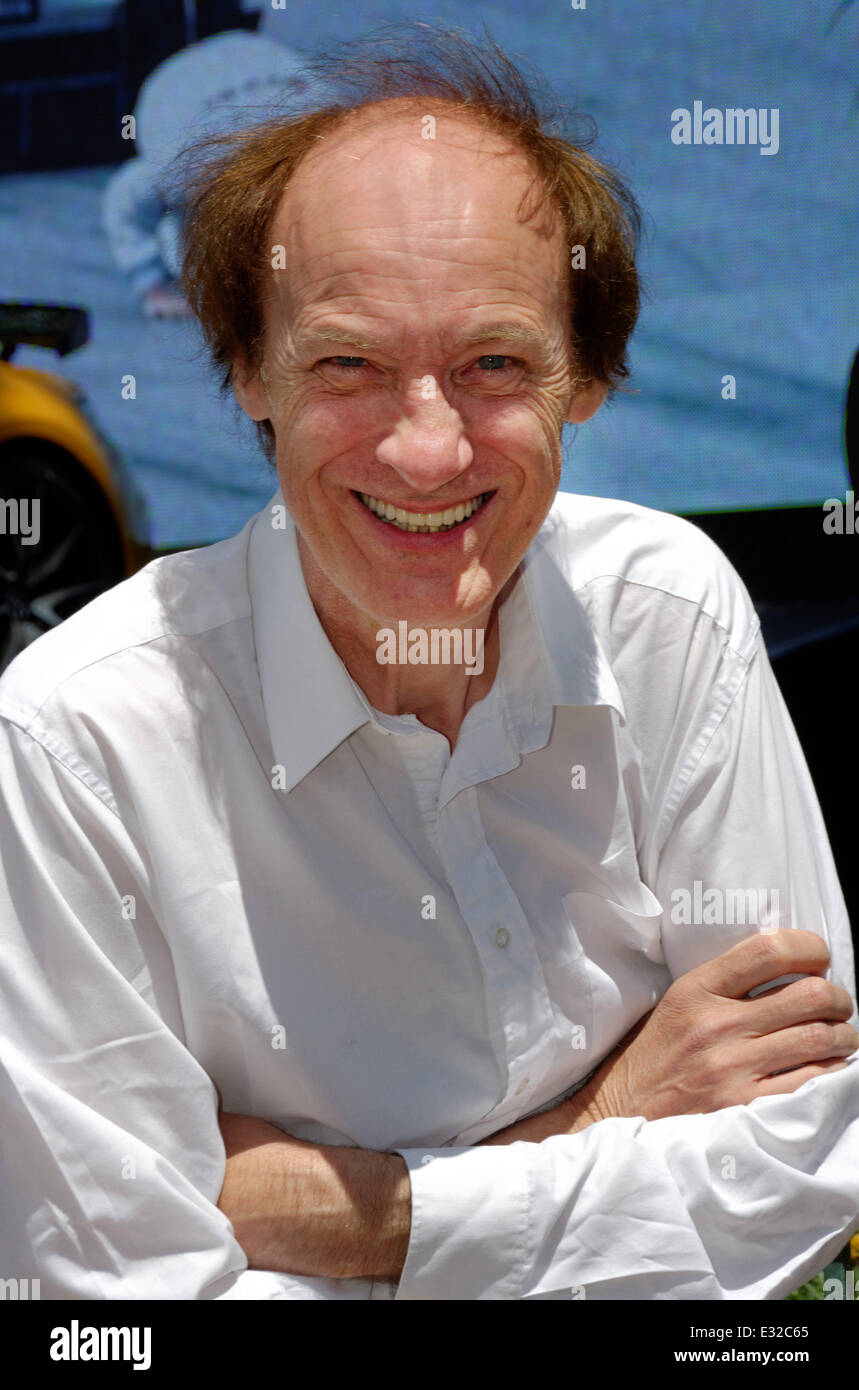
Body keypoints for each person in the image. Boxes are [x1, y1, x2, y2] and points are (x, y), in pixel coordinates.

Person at [1, 28, 857, 1301]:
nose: (424, 450)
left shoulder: (670, 612)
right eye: (348, 362)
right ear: (247, 369)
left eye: (492, 366)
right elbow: (111, 1317)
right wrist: (601, 1116)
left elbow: (803, 1172)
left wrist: (348, 1217)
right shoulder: (73, 744)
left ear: (587, 380)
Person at [100, 29, 319, 318]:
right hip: (179, 92)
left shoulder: (327, 146)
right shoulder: (179, 165)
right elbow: (123, 201)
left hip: (273, 71)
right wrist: (152, 285)